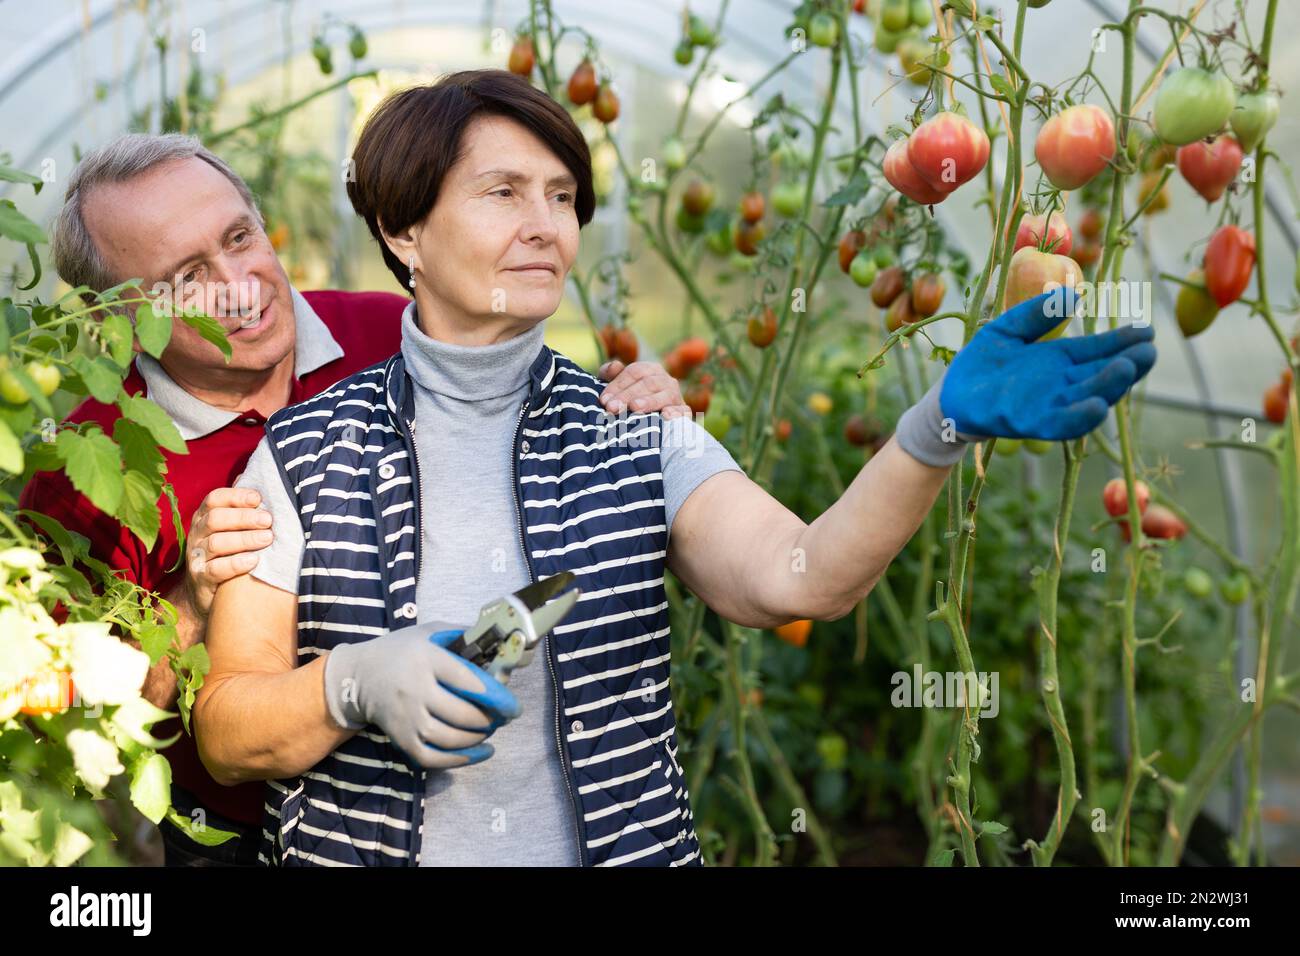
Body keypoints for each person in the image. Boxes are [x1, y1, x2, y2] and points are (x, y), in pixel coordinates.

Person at [194, 70, 1156, 868]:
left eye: (563, 197)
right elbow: (228, 728)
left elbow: (803, 576)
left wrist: (935, 426)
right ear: (405, 232)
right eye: (503, 193)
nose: (546, 226)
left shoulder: (634, 425)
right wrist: (351, 683)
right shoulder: (309, 451)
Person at [18, 131, 687, 867]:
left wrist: (625, 402)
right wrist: (191, 599)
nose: (239, 284)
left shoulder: (390, 335)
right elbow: (91, 722)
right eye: (188, 277)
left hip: (456, 807)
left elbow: (533, 418)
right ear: (115, 315)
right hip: (234, 833)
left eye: (241, 238)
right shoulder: (91, 469)